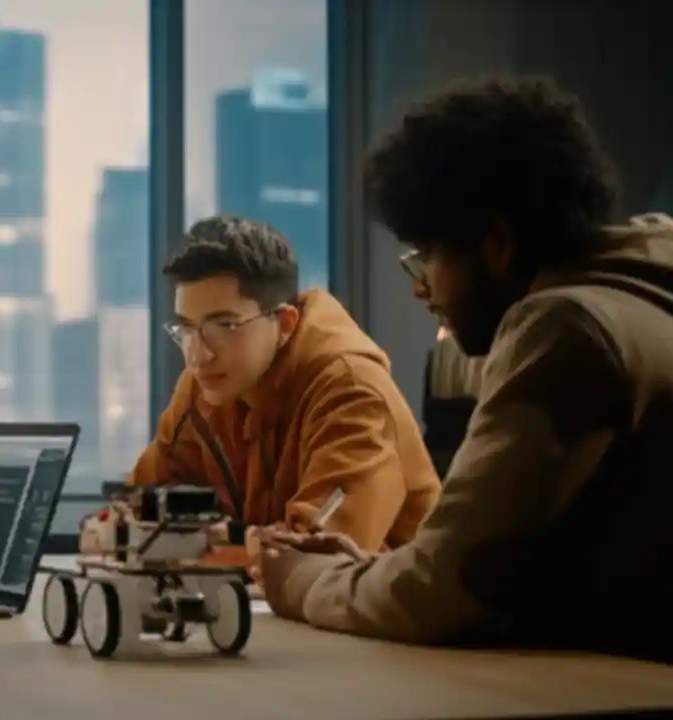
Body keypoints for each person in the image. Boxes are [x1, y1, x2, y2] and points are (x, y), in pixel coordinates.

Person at [258, 77, 673, 662]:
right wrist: (372, 571)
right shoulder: (644, 294)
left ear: (497, 243)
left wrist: (300, 582)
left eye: (428, 255)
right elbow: (521, 571)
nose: (422, 287)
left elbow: (441, 593)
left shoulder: (567, 328)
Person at [128, 216, 441, 564]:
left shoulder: (350, 388)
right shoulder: (203, 386)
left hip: (397, 612)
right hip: (286, 610)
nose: (198, 355)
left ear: (285, 324)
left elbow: (320, 555)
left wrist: (221, 543)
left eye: (226, 325)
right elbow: (133, 517)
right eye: (186, 328)